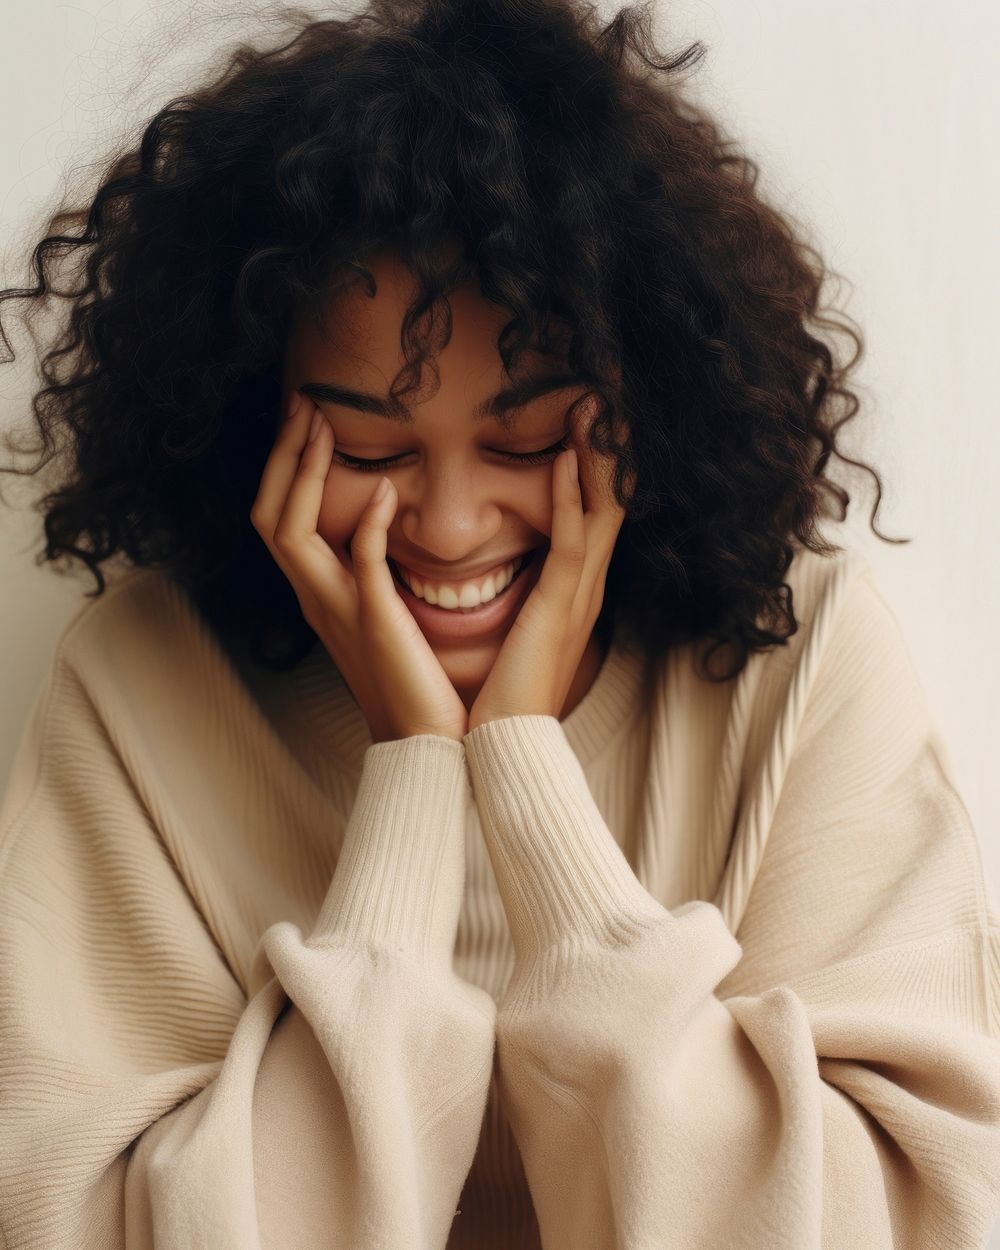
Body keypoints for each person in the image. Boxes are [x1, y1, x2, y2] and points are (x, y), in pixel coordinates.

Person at [0, 0, 998, 1246]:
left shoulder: (800, 654)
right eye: (366, 445)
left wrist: (521, 767)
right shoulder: (142, 688)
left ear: (644, 403)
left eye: (525, 439)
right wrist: (415, 774)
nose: (452, 524)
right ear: (256, 420)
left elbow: (917, 1216)